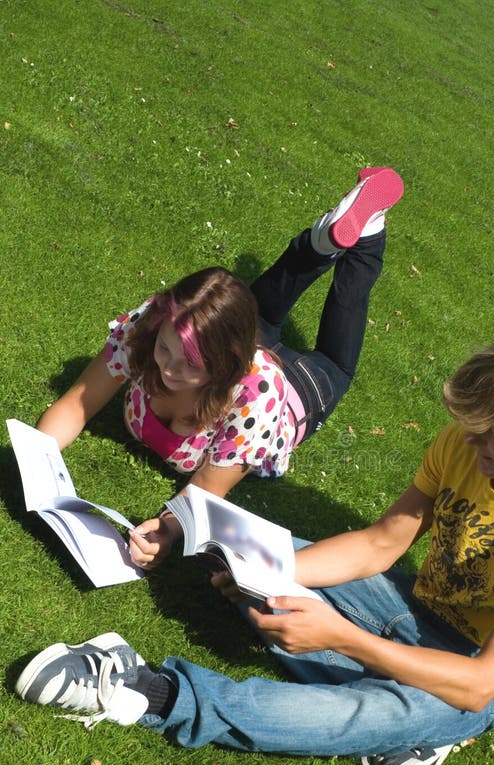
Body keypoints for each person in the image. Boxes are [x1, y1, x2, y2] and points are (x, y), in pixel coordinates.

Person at [16, 331, 494, 765]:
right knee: (255, 553)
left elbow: (481, 683)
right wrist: (263, 568)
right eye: (472, 426)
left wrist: (339, 636)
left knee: (385, 708)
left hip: (474, 676)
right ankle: (408, 736)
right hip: (406, 610)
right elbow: (377, 547)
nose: (473, 442)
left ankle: (152, 693)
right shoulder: (465, 443)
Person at [36, 166, 404, 568]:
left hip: (300, 393)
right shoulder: (156, 326)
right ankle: (321, 240)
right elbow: (78, 403)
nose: (169, 371)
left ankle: (368, 233)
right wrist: (36, 460)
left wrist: (167, 530)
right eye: (165, 350)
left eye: (190, 365)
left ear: (229, 366)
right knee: (252, 308)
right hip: (234, 345)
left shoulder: (254, 399)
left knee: (344, 320)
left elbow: (206, 489)